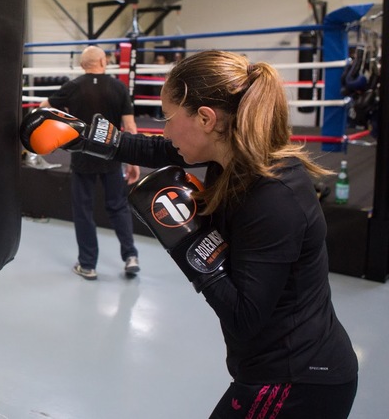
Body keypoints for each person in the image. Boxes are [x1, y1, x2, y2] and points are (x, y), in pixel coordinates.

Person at [21, 50, 358, 417]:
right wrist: (83, 136)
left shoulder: (274, 197)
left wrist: (190, 243)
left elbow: (246, 318)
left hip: (296, 381)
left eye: (168, 117)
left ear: (206, 118)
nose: (164, 128)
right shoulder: (227, 155)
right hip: (271, 370)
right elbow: (156, 147)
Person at [39, 45, 141, 280]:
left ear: (83, 65)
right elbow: (131, 127)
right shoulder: (118, 87)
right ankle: (131, 256)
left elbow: (44, 109)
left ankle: (87, 265)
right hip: (112, 156)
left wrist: (60, 129)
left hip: (83, 158)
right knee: (117, 207)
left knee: (83, 212)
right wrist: (132, 160)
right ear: (103, 62)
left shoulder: (72, 87)